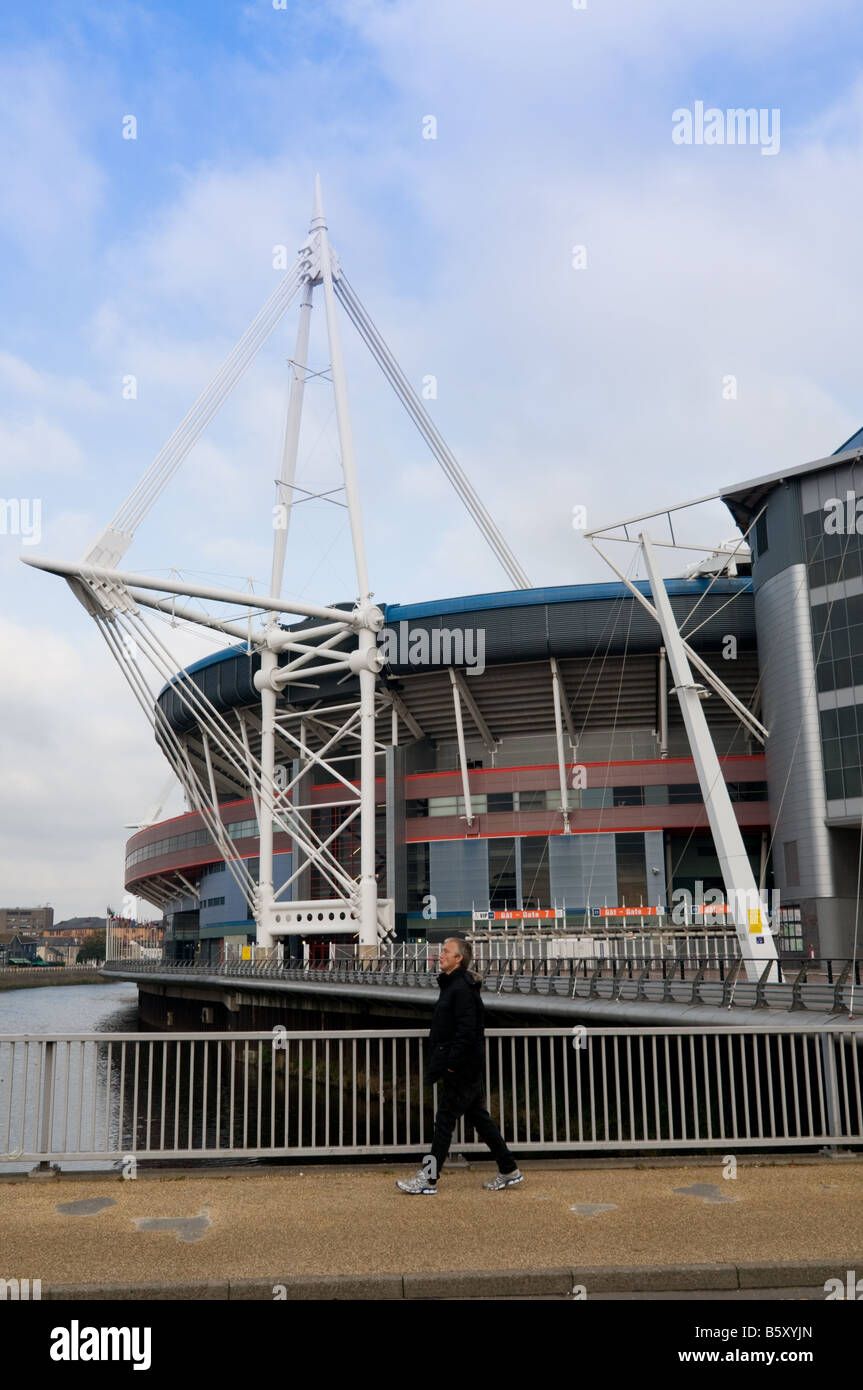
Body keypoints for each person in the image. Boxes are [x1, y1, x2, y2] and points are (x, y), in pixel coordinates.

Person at [396, 936, 523, 1194]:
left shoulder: (461, 989)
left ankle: (428, 1178)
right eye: (441, 950)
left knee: (444, 1121)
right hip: (464, 1066)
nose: (440, 954)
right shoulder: (455, 985)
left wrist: (451, 1064)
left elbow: (466, 1031)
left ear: (458, 958)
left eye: (446, 951)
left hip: (461, 1068)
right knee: (479, 1118)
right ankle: (509, 1168)